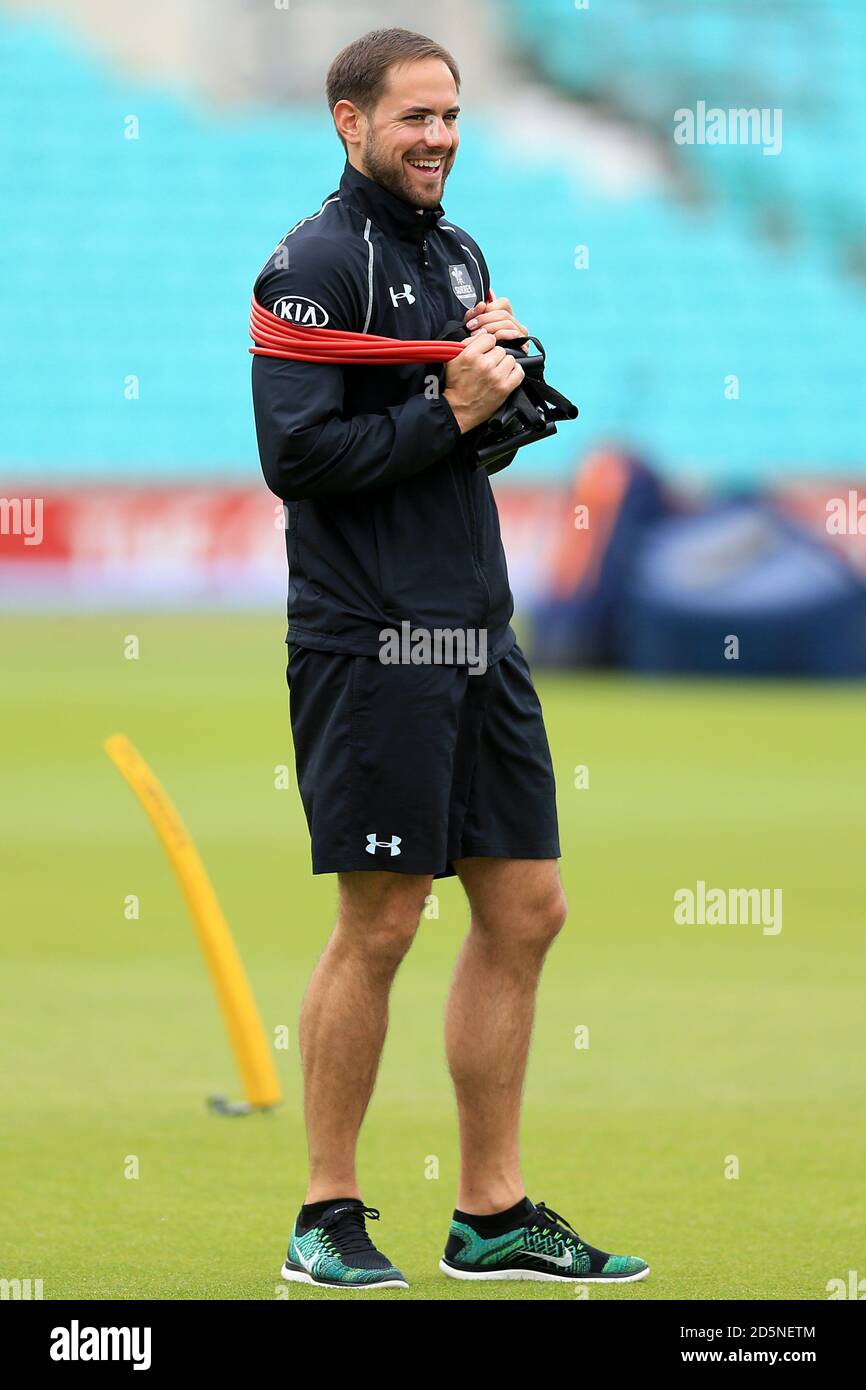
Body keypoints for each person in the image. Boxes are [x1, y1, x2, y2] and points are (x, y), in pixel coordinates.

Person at [251, 26, 649, 1291]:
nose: (437, 138)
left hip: (479, 626)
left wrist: (508, 397)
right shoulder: (311, 264)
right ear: (347, 120)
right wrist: (449, 410)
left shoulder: (455, 248)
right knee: (381, 919)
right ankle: (326, 1215)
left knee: (527, 908)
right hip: (371, 639)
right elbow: (299, 460)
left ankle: (489, 1212)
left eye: (451, 117)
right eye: (413, 117)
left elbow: (462, 444)